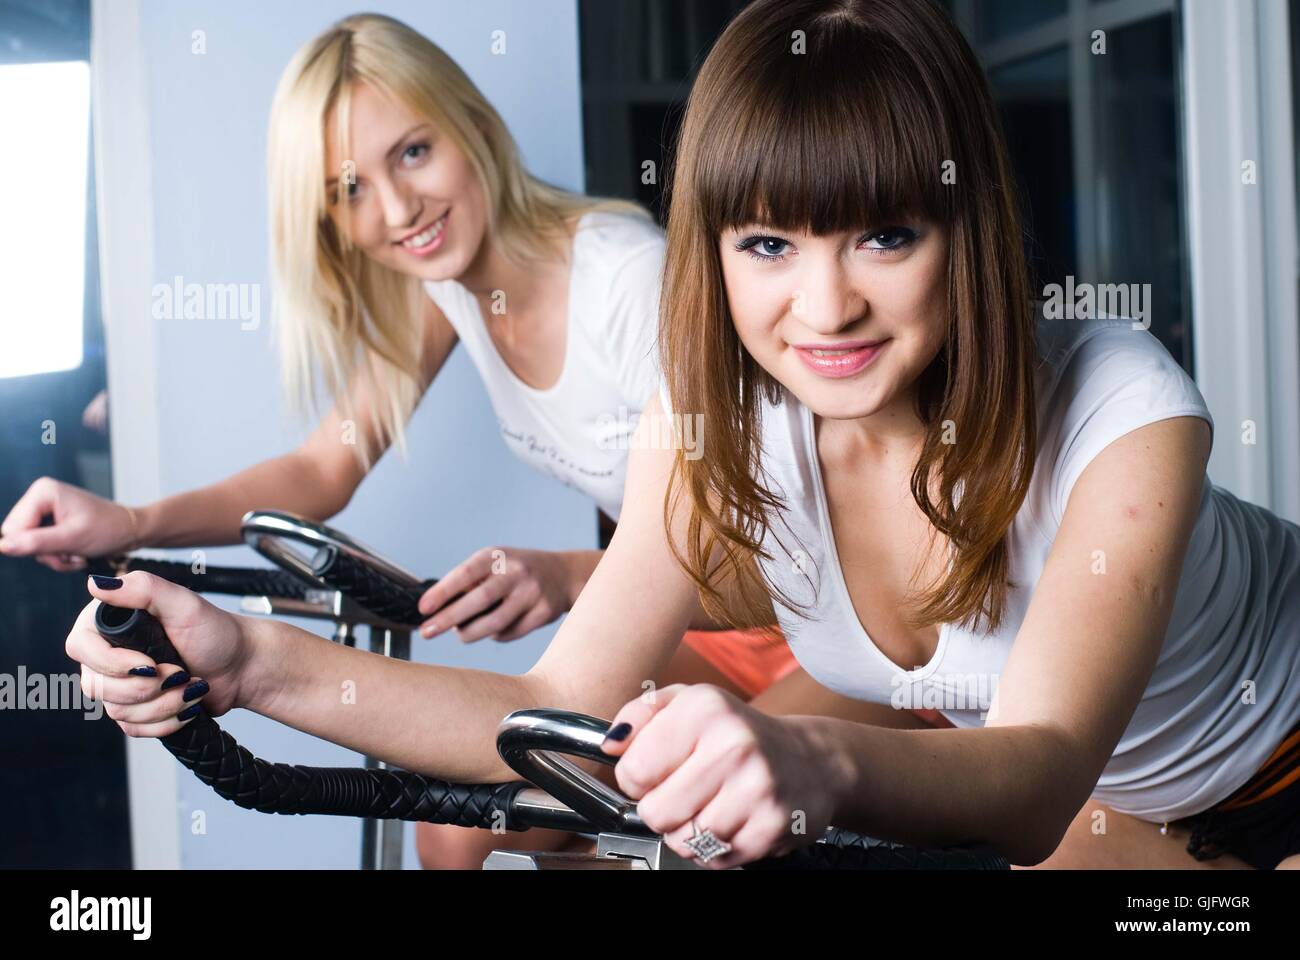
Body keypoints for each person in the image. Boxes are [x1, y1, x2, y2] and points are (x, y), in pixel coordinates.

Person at [61, 0, 1300, 869]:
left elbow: (1033, 778)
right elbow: (548, 702)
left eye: (883, 235)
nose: (823, 309)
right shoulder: (716, 430)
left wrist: (806, 760)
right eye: (767, 245)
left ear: (966, 227)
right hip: (1130, 804)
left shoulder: (1121, 404)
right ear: (713, 253)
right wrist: (245, 661)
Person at [0, 12, 900, 870]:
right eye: (351, 189)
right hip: (699, 613)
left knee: (677, 834)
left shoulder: (628, 281)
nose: (396, 209)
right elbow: (323, 467)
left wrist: (564, 574)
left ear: (470, 121)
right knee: (466, 836)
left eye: (414, 153)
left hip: (821, 611)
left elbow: (758, 534)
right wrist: (127, 520)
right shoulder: (451, 293)